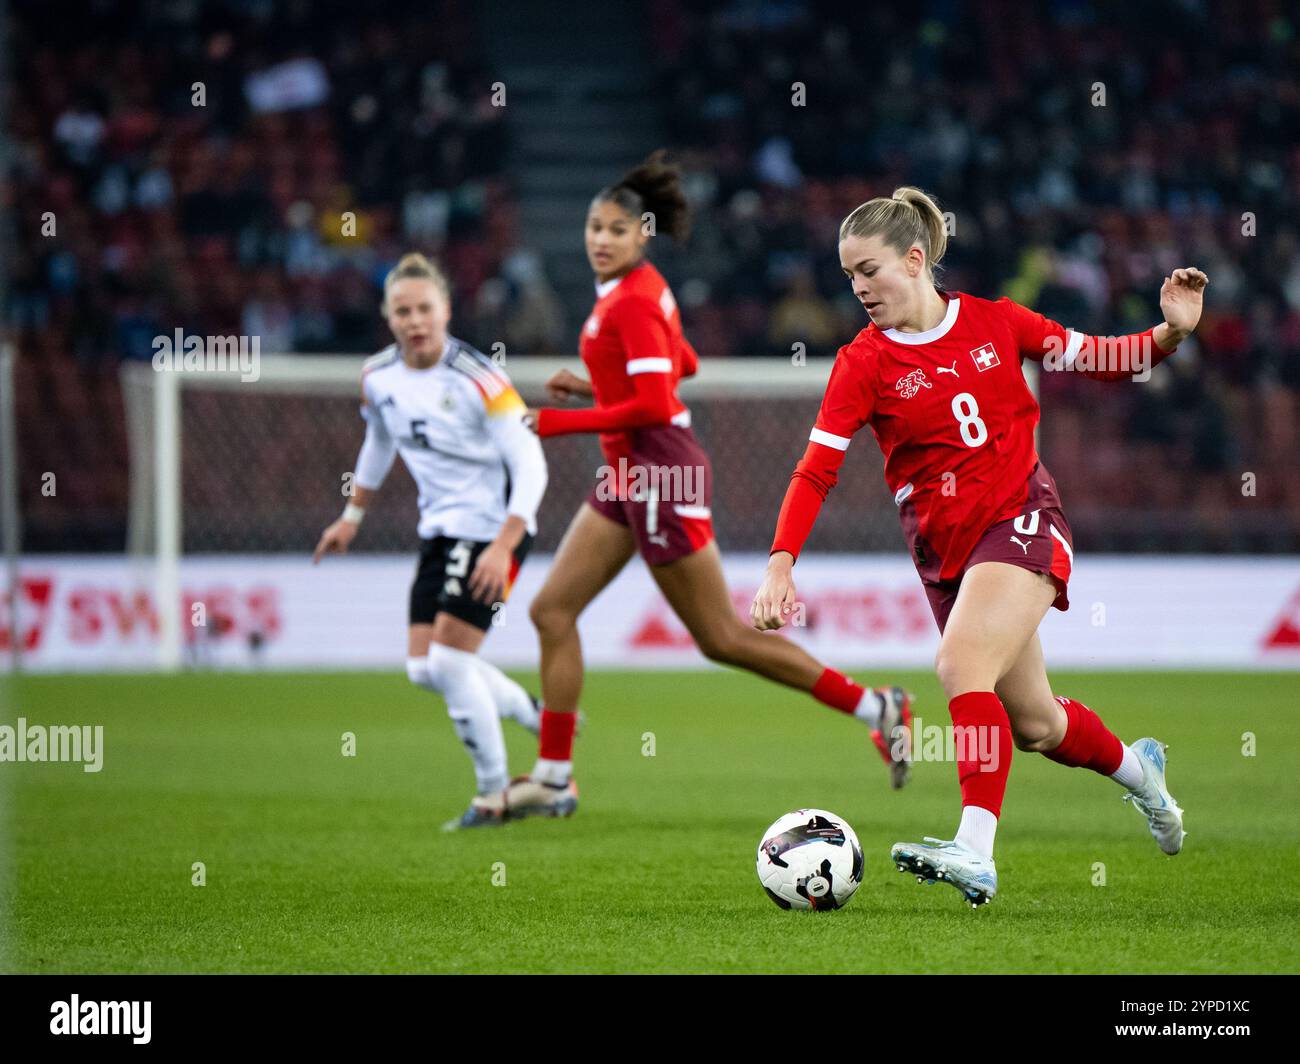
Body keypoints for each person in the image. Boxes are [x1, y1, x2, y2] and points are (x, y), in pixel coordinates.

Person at [752, 187, 1207, 907]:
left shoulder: (998, 322)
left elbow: (1100, 358)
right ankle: (1139, 772)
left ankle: (974, 849)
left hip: (1023, 518)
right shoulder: (862, 365)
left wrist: (1169, 333)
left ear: (913, 258)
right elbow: (816, 470)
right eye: (847, 276)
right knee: (1036, 724)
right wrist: (781, 563)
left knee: (959, 662)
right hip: (948, 559)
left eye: (868, 270)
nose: (859, 288)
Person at [481, 151, 913, 824]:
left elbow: (656, 403)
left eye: (616, 230)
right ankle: (556, 777)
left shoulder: (628, 301)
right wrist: (596, 386)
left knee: (722, 638)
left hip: (661, 472)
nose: (600, 239)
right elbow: (683, 361)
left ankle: (875, 706)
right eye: (594, 227)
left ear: (641, 235)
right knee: (550, 611)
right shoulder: (639, 291)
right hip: (632, 475)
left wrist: (561, 418)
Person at [313, 253, 548, 830]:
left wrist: (503, 542)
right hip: (440, 532)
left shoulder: (480, 378)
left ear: (445, 310)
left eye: (425, 309)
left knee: (448, 661)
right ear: (387, 317)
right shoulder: (378, 377)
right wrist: (351, 516)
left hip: (494, 530)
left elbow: (531, 460)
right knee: (425, 670)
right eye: (402, 311)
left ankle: (493, 797)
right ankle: (535, 715)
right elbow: (379, 441)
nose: (415, 320)